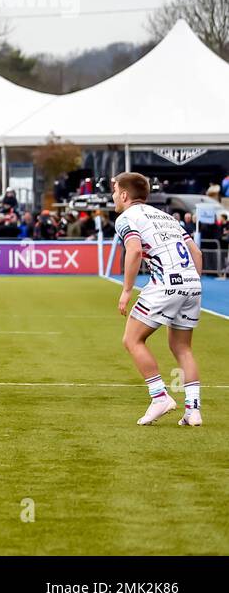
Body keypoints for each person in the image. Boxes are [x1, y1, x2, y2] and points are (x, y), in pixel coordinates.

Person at [113, 172, 202, 427]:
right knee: (182, 348)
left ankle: (160, 396)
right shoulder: (167, 217)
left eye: (114, 191)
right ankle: (193, 410)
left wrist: (127, 290)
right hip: (192, 283)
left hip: (165, 284)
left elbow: (135, 250)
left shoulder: (126, 217)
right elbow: (195, 252)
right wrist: (191, 283)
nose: (113, 197)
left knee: (132, 339)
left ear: (124, 194)